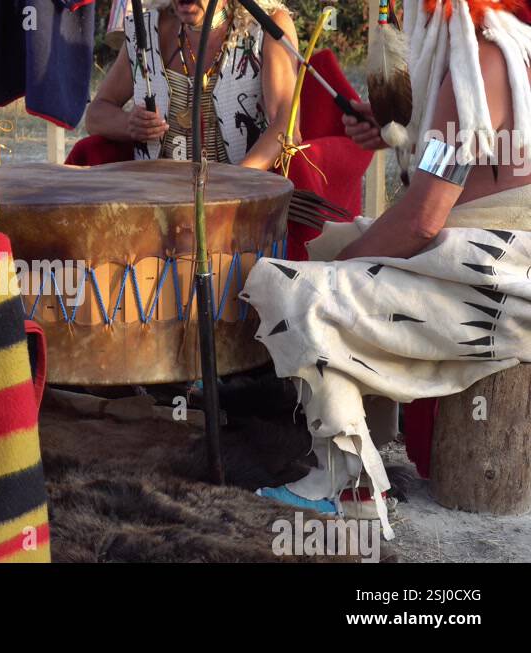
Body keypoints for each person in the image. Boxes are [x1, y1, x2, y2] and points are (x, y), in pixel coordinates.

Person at [246, 0, 531, 537]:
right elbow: (471, 161)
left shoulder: (478, 65)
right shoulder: (509, 46)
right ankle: (368, 434)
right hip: (498, 258)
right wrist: (395, 131)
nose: (403, 16)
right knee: (328, 245)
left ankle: (345, 484)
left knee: (289, 288)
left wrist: (349, 268)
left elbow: (423, 219)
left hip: (498, 284)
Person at [75, 0, 299, 168]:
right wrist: (129, 124)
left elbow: (286, 125)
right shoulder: (145, 31)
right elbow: (96, 115)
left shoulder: (268, 26)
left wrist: (236, 187)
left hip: (241, 206)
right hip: (154, 199)